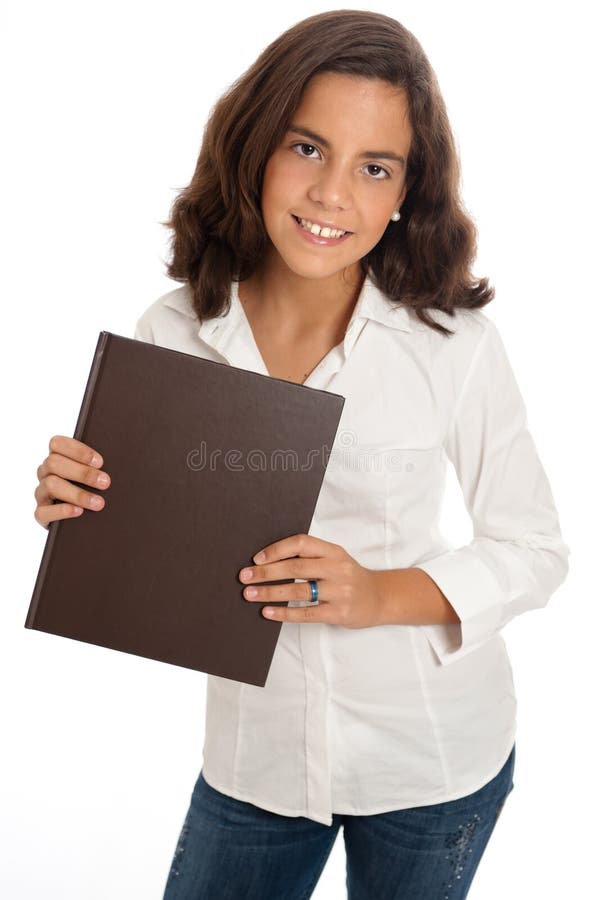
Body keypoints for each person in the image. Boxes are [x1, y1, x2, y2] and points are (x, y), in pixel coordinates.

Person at [32, 10, 570, 899]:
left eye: (374, 167)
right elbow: (152, 538)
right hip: (258, 757)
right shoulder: (173, 331)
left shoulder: (453, 344)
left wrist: (375, 593)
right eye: (307, 147)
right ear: (253, 147)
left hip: (429, 761)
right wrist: (78, 505)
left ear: (406, 191)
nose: (331, 196)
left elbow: (533, 551)